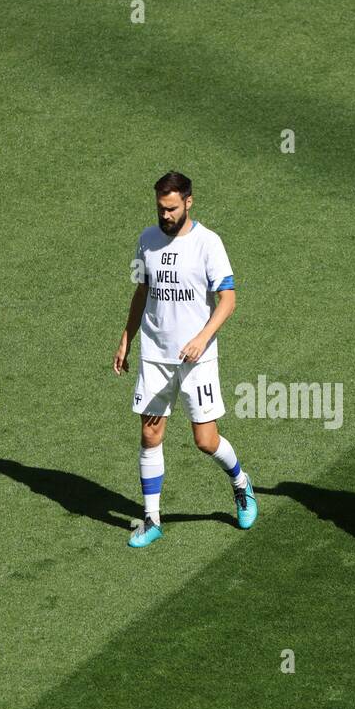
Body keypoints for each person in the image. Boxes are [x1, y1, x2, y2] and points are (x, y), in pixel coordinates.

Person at [113, 171, 256, 547]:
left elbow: (228, 300)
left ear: (188, 202)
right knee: (149, 433)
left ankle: (241, 483)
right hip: (156, 355)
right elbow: (142, 291)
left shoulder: (208, 244)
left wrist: (201, 339)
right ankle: (152, 518)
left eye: (172, 208)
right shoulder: (146, 240)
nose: (165, 215)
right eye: (161, 208)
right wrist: (127, 338)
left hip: (198, 359)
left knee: (205, 441)